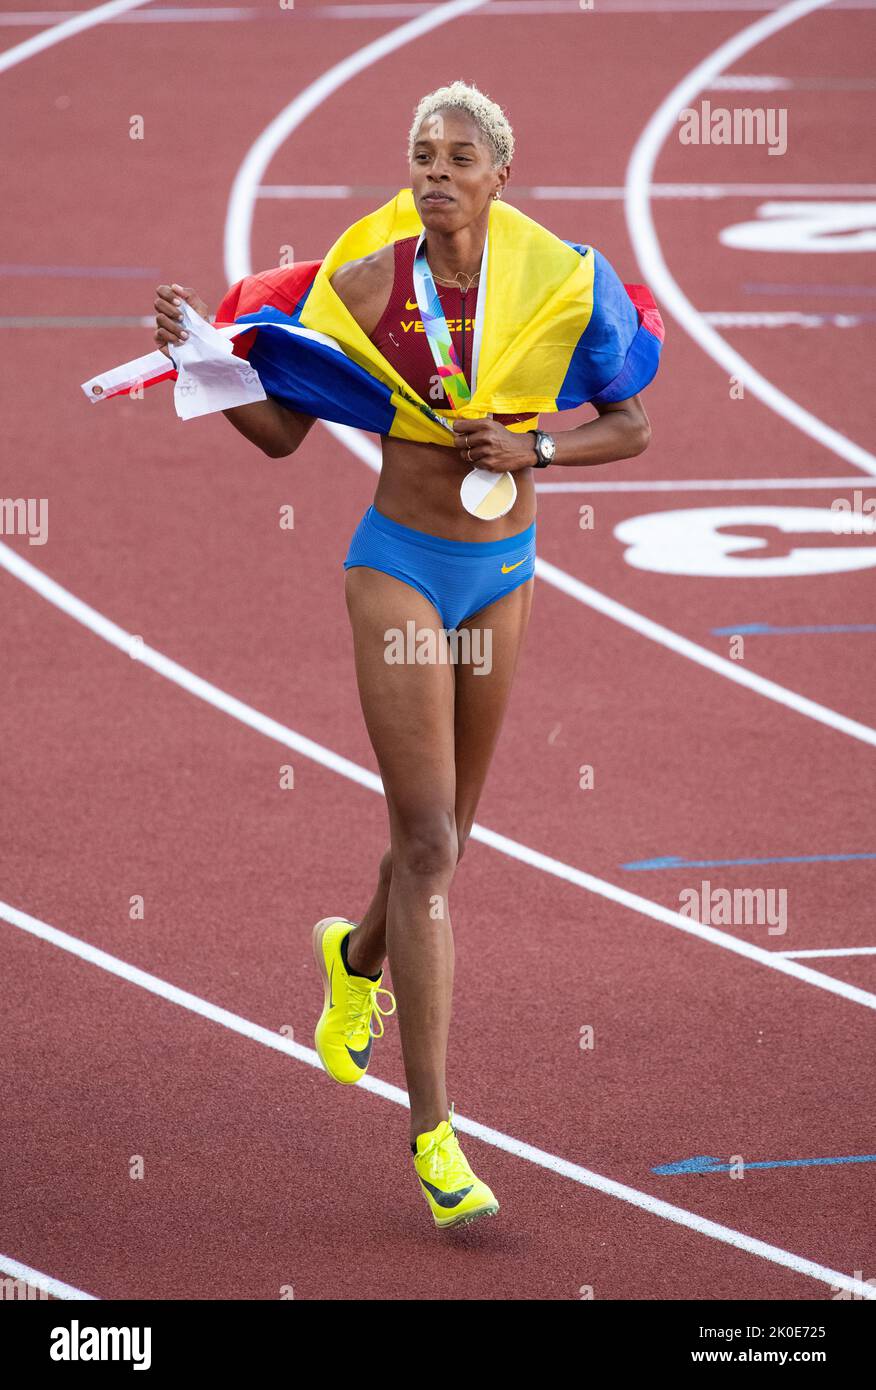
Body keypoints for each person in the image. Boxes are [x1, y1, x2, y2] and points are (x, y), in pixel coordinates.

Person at [153, 81, 654, 1231]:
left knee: (449, 840)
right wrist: (203, 361)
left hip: (507, 570)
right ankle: (435, 1136)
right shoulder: (368, 275)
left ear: (499, 174)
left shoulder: (566, 284)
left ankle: (355, 957)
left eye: (459, 155)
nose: (434, 171)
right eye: (421, 154)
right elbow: (284, 430)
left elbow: (631, 422)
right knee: (426, 839)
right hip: (398, 563)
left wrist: (539, 447)